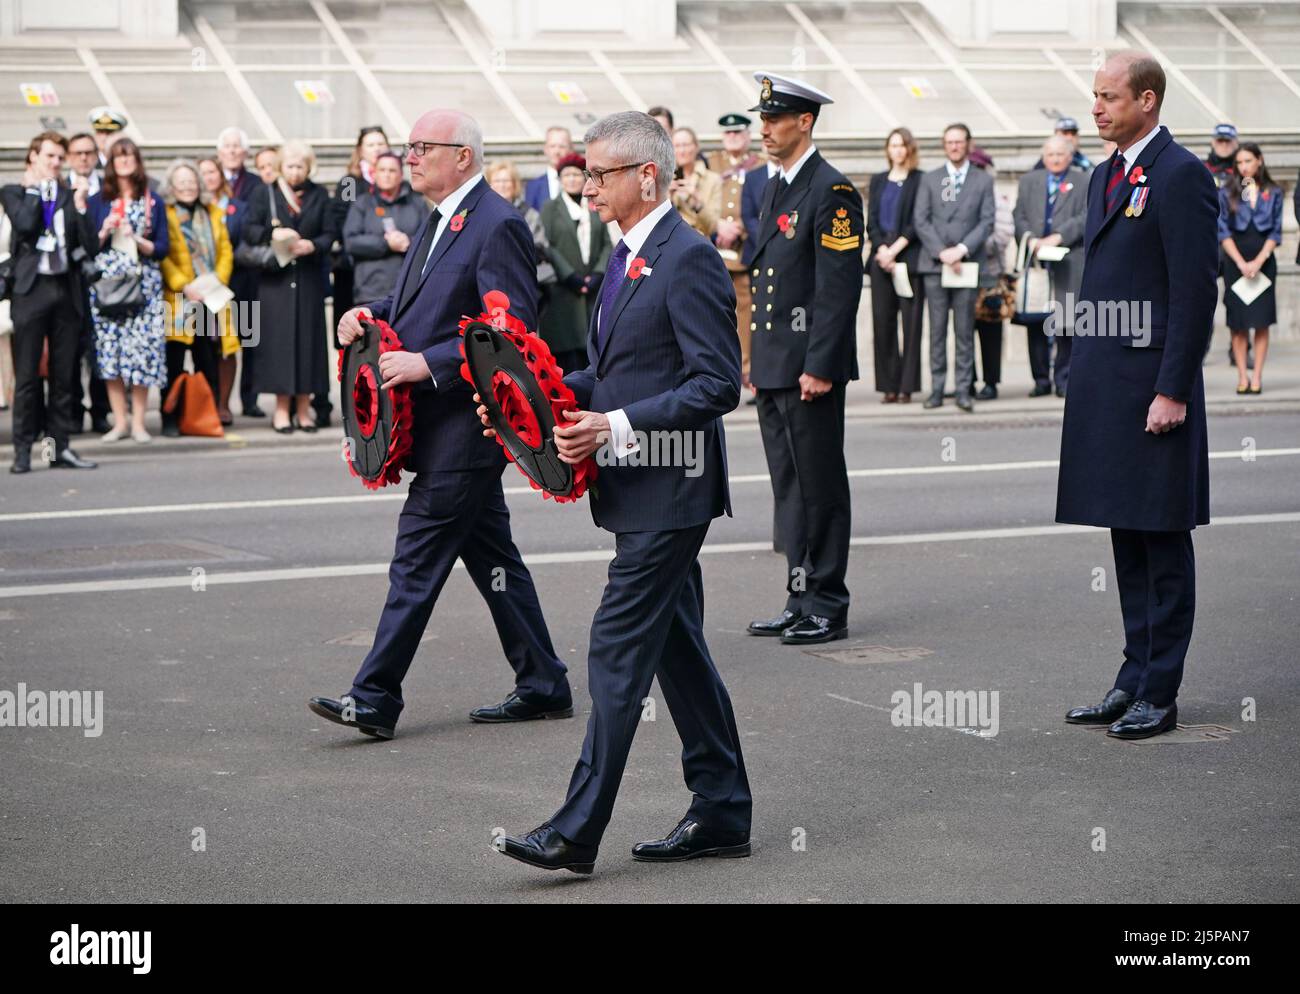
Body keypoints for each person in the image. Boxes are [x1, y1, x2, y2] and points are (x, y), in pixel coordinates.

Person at [494, 110, 750, 875]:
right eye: (584, 171)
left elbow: (717, 384)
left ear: (648, 176)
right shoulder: (627, 253)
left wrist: (613, 424)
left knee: (613, 649)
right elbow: (616, 370)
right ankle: (723, 808)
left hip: (673, 486)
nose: (586, 183)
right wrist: (535, 397)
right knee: (680, 653)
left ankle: (577, 829)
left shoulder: (688, 257)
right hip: (640, 482)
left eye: (601, 172)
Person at [308, 109, 572, 740]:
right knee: (493, 558)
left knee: (415, 562)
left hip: (464, 429)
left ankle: (374, 696)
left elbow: (508, 333)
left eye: (423, 146)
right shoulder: (437, 219)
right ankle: (543, 681)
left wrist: (426, 363)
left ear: (463, 155)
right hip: (439, 427)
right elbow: (412, 308)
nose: (411, 155)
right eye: (410, 145)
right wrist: (364, 317)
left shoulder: (497, 223)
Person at [1060, 51, 1218, 740]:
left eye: (1108, 96)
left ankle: (1162, 687)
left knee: (1161, 537)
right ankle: (1132, 674)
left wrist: (1173, 389)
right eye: (1094, 96)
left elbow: (1193, 290)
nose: (1096, 107)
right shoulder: (1105, 174)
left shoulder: (1182, 175)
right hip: (1107, 385)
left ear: (1147, 100)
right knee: (1127, 534)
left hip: (1154, 390)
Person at [744, 72, 862, 646]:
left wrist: (820, 363)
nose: (762, 129)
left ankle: (828, 602)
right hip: (775, 364)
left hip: (808, 368)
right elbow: (767, 281)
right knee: (788, 486)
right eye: (761, 119)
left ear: (805, 122)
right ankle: (798, 595)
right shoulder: (778, 186)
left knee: (819, 486)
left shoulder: (832, 191)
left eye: (772, 119)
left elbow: (837, 291)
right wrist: (755, 355)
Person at [1, 131, 98, 473]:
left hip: (64, 290)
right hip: (31, 291)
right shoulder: (13, 192)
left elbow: (88, 247)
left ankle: (57, 449)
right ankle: (23, 451)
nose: (56, 163)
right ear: (33, 157)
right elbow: (26, 225)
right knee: (28, 377)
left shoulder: (69, 195)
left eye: (60, 157)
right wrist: (32, 190)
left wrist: (83, 207)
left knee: (63, 377)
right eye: (50, 157)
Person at [240, 140, 335, 434]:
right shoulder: (264, 192)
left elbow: (330, 233)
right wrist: (274, 232)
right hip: (275, 280)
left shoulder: (319, 195)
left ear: (309, 168)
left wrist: (313, 245)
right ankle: (281, 410)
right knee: (279, 347)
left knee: (309, 344)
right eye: (290, 166)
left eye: (300, 167)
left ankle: (304, 410)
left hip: (307, 278)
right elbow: (248, 230)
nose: (295, 172)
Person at [85, 136, 169, 444]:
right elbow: (88, 247)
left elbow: (162, 247)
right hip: (107, 289)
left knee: (141, 355)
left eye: (129, 155)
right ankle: (119, 421)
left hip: (142, 285)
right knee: (111, 354)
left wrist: (137, 238)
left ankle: (138, 423)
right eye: (118, 156)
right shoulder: (98, 200)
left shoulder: (152, 199)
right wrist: (105, 229)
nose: (124, 161)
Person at [914, 122, 995, 412]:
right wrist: (942, 252)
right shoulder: (930, 179)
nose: (955, 146)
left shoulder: (983, 181)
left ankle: (963, 390)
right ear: (944, 145)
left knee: (963, 331)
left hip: (966, 264)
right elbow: (920, 219)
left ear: (968, 145)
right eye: (950, 142)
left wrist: (961, 250)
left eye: (959, 142)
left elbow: (987, 221)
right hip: (936, 266)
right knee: (936, 332)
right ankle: (936, 389)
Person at [159, 160, 238, 435]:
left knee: (207, 360)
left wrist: (217, 280)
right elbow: (164, 257)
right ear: (171, 187)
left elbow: (226, 250)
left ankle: (207, 414)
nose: (187, 187)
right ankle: (170, 418)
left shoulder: (213, 213)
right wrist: (184, 285)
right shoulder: (165, 214)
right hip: (179, 300)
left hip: (210, 298)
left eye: (191, 182)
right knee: (174, 361)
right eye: (181, 183)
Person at [1013, 135, 1089, 398]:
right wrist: (1031, 240)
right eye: (1050, 154)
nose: (1055, 159)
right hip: (1037, 262)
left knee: (1066, 323)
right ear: (1043, 156)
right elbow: (1019, 216)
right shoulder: (1029, 181)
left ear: (1069, 156)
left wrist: (1058, 236)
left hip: (1068, 260)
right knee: (1036, 323)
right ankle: (1040, 379)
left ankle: (1064, 379)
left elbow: (1086, 216)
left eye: (1060, 154)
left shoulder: (1083, 180)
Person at [1218, 142, 1282, 395]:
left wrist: (1258, 261)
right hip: (1236, 262)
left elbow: (1276, 231)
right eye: (1239, 162)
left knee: (1262, 321)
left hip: (1264, 263)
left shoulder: (1274, 191)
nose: (1243, 167)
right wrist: (1241, 263)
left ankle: (1257, 377)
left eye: (1248, 161)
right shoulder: (1227, 192)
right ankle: (1242, 376)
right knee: (1239, 322)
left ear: (1259, 161)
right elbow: (1222, 229)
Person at [538, 152, 611, 373]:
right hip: (562, 293)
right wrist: (569, 275)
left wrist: (598, 273)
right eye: (567, 175)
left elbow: (607, 243)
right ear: (560, 179)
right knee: (566, 362)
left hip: (592, 292)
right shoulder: (550, 208)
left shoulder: (594, 205)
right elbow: (546, 246)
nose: (572, 179)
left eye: (577, 175)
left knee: (592, 357)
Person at [866, 126, 923, 403]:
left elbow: (917, 221)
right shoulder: (878, 180)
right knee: (883, 323)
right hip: (880, 259)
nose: (897, 150)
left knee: (911, 325)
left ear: (909, 149)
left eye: (902, 145)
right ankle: (888, 384)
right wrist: (881, 250)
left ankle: (907, 386)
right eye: (893, 145)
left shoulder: (919, 180)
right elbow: (872, 221)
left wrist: (896, 249)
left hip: (908, 258)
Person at [707, 113, 763, 389]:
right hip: (713, 247)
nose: (733, 138)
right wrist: (718, 226)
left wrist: (739, 227)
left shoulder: (759, 164)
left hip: (743, 248)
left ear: (748, 136)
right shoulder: (712, 163)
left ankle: (747, 368)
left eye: (738, 133)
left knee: (745, 309)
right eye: (728, 134)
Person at [198, 155, 251, 422]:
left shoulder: (238, 208)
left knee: (230, 348)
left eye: (212, 171)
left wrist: (222, 277)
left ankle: (225, 404)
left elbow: (242, 245)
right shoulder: (192, 210)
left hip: (234, 287)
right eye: (202, 173)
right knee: (205, 348)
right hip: (199, 291)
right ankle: (205, 404)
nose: (208, 177)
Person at [343, 150, 428, 314]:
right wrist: (386, 244)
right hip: (370, 291)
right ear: (374, 174)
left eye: (392, 170)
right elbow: (351, 242)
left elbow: (429, 240)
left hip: (409, 290)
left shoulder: (417, 204)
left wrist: (409, 242)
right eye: (382, 170)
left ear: (401, 174)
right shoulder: (362, 204)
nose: (387, 175)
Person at [65, 131, 110, 433]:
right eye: (77, 153)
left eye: (88, 152)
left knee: (100, 349)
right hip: (68, 282)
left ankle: (101, 411)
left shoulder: (108, 191)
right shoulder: (57, 187)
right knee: (69, 351)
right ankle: (72, 412)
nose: (83, 158)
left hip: (103, 282)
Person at [966, 147, 1012, 400]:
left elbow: (1004, 234)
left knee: (990, 330)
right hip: (963, 271)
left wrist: (973, 244)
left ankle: (991, 381)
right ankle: (968, 380)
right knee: (964, 329)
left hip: (989, 272)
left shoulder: (995, 195)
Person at [485, 159, 554, 290]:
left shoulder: (529, 214)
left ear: (515, 184)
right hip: (489, 281)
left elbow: (540, 248)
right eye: (497, 181)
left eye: (506, 181)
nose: (502, 185)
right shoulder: (482, 213)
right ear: (489, 185)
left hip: (522, 282)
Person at [669, 127, 720, 238]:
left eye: (686, 145)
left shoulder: (712, 179)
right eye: (677, 146)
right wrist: (668, 197)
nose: (682, 151)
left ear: (696, 147)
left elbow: (713, 227)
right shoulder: (665, 180)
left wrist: (698, 204)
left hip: (700, 241)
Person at [523, 126, 573, 213]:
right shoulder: (532, 187)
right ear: (545, 149)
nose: (557, 151)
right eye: (552, 146)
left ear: (570, 149)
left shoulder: (583, 184)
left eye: (562, 146)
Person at [215, 126, 260, 203]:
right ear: (219, 154)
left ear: (245, 153)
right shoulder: (211, 180)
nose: (232, 151)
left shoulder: (257, 183)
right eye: (227, 146)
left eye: (236, 146)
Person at [1204, 123, 1238, 189]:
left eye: (1228, 141)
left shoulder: (1244, 170)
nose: (1224, 145)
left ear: (1236, 143)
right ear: (1213, 143)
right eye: (1220, 140)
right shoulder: (1202, 168)